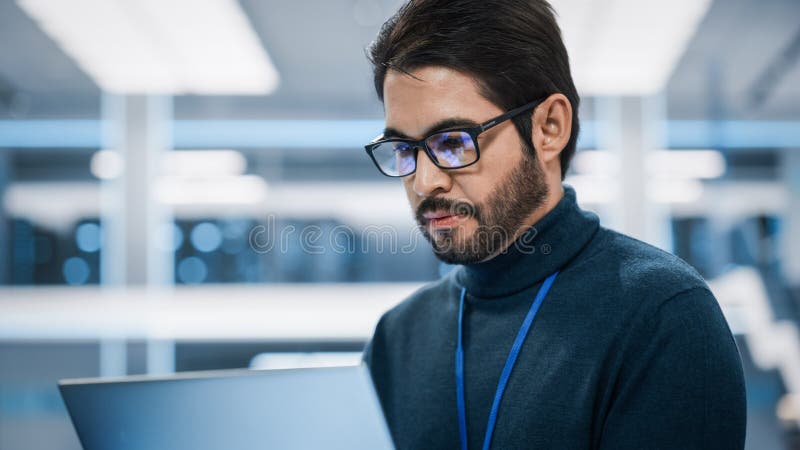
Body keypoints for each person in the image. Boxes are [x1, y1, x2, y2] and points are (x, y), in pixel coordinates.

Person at [360, 0, 747, 449]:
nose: (425, 182)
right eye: (404, 150)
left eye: (452, 142)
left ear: (549, 127)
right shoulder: (399, 336)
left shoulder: (661, 313)